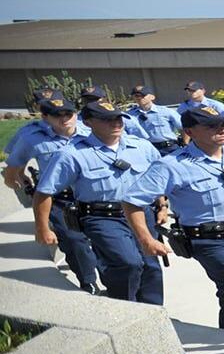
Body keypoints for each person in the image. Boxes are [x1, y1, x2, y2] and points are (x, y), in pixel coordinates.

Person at [120, 106, 224, 354]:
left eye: (223, 125)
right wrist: (146, 239)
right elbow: (132, 201)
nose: (221, 130)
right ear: (189, 131)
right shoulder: (172, 165)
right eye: (211, 126)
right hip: (208, 240)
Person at [33, 100, 165, 304]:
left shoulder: (142, 147)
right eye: (107, 120)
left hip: (141, 213)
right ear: (88, 122)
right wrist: (42, 228)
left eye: (119, 118)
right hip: (102, 217)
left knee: (150, 265)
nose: (116, 123)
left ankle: (154, 312)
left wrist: (162, 206)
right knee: (127, 263)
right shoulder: (71, 154)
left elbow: (158, 178)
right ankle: (124, 308)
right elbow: (44, 192)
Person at [3, 92, 102, 294]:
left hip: (93, 195)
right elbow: (13, 165)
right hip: (59, 199)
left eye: (68, 113)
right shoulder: (32, 139)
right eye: (57, 115)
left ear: (76, 114)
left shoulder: (93, 132)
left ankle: (110, 278)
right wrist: (16, 179)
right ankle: (88, 282)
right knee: (74, 241)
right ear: (45, 117)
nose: (64, 119)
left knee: (101, 240)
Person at [126, 85, 183, 155]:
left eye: (142, 95)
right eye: (136, 96)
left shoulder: (166, 111)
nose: (139, 97)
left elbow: (184, 127)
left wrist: (185, 143)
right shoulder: (129, 115)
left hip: (168, 149)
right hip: (144, 150)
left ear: (152, 97)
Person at [79, 85, 150, 140]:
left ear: (104, 99)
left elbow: (141, 138)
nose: (92, 102)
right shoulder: (75, 120)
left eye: (95, 99)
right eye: (87, 100)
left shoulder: (120, 116)